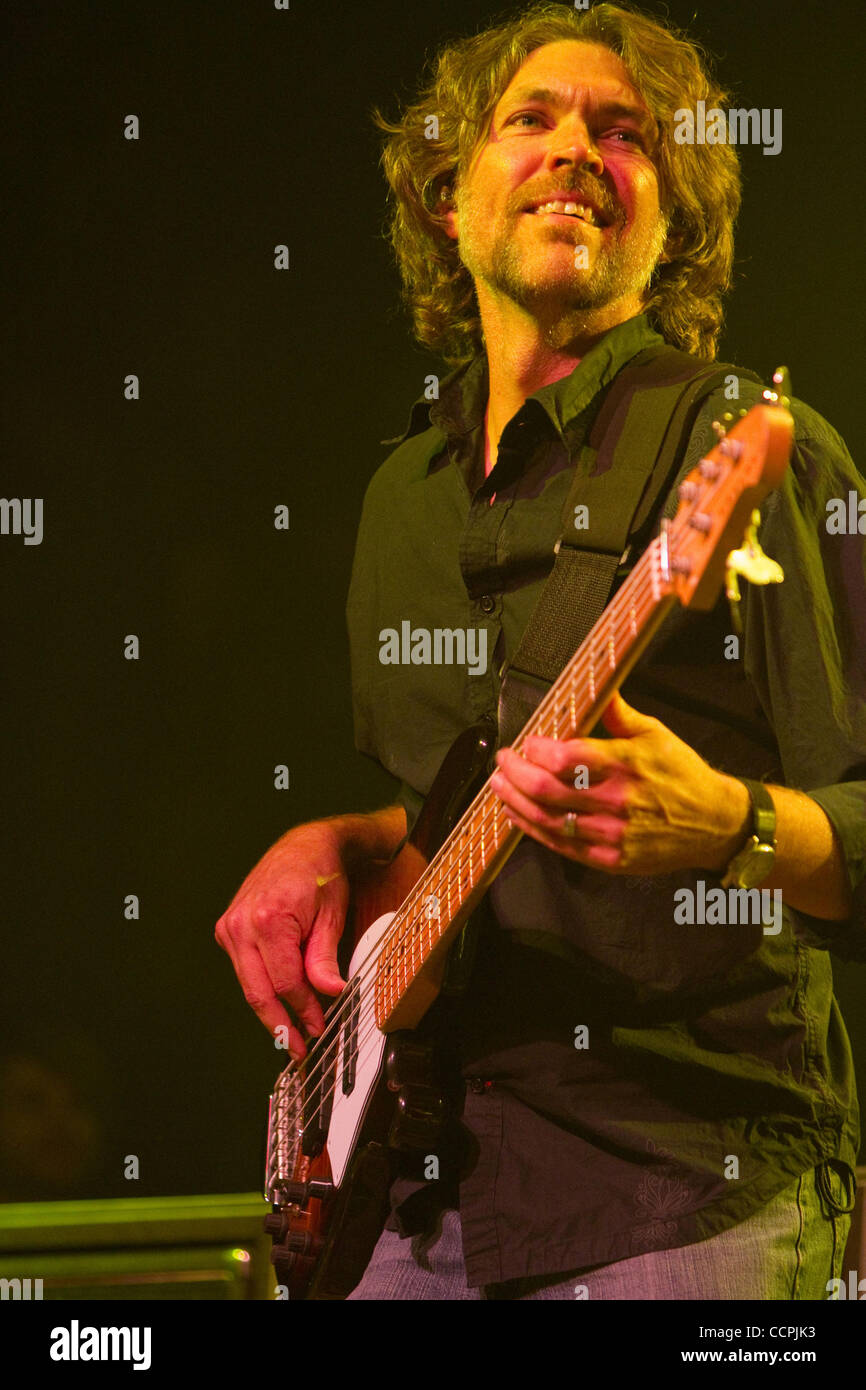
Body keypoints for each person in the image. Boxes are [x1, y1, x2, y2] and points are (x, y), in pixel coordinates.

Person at [215, 2, 866, 1300]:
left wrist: (739, 825)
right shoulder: (400, 494)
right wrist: (340, 843)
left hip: (679, 1193)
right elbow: (441, 813)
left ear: (668, 223)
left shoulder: (731, 447)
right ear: (444, 199)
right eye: (532, 119)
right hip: (410, 1195)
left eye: (622, 134)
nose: (577, 147)